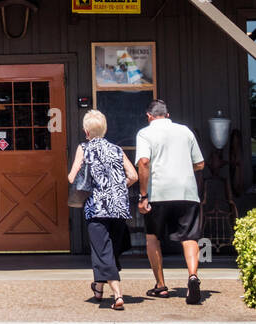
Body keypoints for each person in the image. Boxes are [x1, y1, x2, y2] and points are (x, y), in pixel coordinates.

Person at [135, 100, 206, 304]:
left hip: (158, 192)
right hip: (186, 192)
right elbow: (200, 164)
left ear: (148, 116)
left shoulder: (145, 133)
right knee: (190, 237)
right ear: (167, 114)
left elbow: (144, 162)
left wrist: (143, 195)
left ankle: (161, 286)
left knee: (152, 237)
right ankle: (192, 276)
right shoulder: (185, 132)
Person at [68, 109, 138, 310]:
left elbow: (72, 178)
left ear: (86, 131)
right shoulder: (117, 149)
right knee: (109, 250)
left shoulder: (84, 148)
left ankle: (117, 294)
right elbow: (133, 175)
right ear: (105, 129)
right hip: (118, 208)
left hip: (96, 208)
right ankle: (98, 288)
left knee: (102, 252)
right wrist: (116, 187)